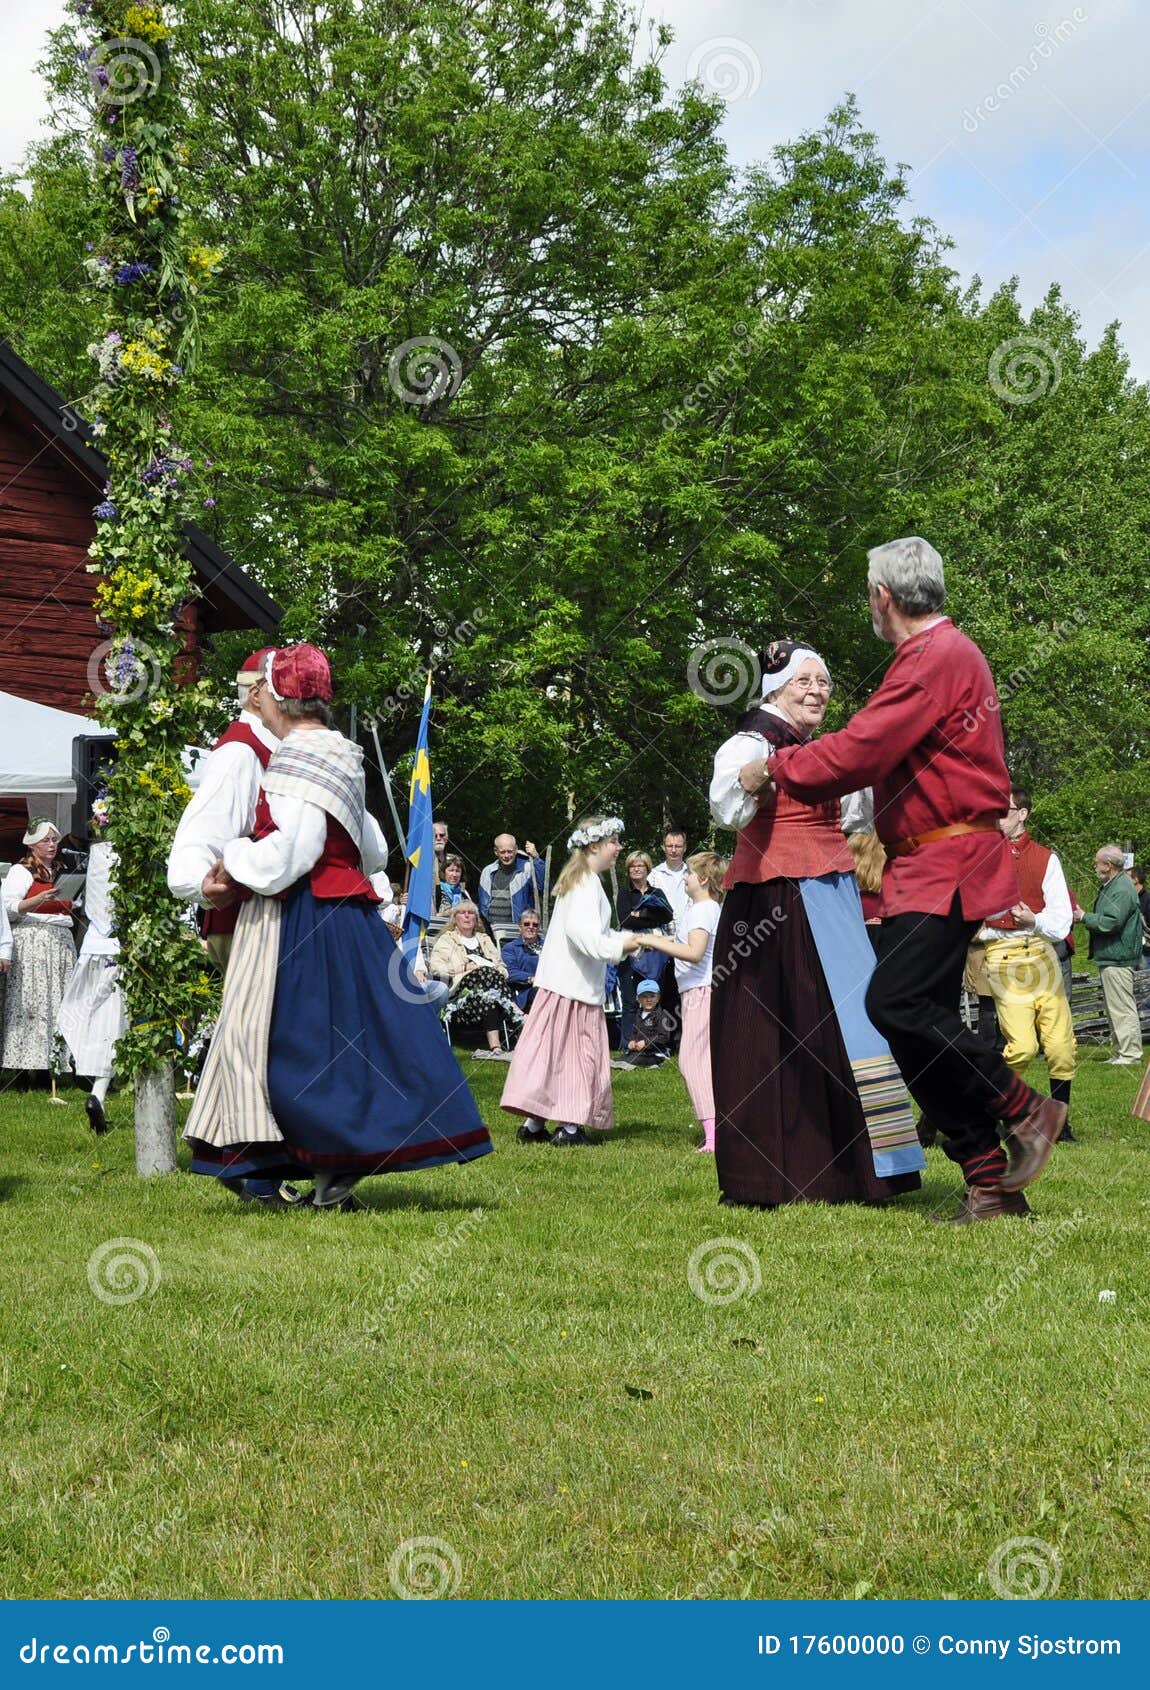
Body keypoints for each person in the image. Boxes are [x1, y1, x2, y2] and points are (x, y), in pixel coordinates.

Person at [764, 538, 1066, 1222]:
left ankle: (1027, 1110)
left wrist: (779, 767)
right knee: (911, 1026)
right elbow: (873, 745)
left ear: (883, 597)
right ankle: (990, 1184)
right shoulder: (934, 656)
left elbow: (865, 746)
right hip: (923, 863)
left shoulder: (935, 658)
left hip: (945, 864)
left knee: (895, 1005)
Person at [183, 644, 492, 1210]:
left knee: (281, 1045)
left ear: (274, 694)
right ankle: (320, 1172)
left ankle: (270, 1161)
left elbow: (291, 856)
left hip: (302, 918)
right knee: (361, 1044)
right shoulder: (344, 754)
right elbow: (372, 847)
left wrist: (234, 856)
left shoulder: (297, 755)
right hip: (350, 915)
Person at [709, 639, 924, 1210]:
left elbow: (856, 815)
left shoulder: (828, 748)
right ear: (774, 689)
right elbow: (727, 810)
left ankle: (860, 1172)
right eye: (804, 682)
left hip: (831, 893)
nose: (817, 691)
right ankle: (766, 1176)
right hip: (768, 898)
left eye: (823, 683)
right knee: (763, 1033)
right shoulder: (748, 743)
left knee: (853, 1025)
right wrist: (765, 771)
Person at [500, 816, 641, 1145]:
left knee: (554, 1057)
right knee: (577, 1059)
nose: (619, 848)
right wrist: (623, 945)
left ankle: (534, 1126)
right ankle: (570, 1128)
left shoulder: (583, 880)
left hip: (563, 987)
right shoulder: (584, 884)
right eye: (613, 842)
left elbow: (591, 934)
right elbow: (585, 937)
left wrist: (621, 939)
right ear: (594, 845)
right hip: (573, 990)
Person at [167, 647, 280, 974]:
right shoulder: (239, 752)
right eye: (284, 688)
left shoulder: (274, 748)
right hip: (247, 923)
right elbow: (201, 833)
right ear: (257, 694)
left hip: (267, 921)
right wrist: (199, 880)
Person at [980, 787, 1078, 1141]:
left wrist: (1033, 922)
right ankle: (996, 1111)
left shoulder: (1047, 858)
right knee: (1022, 1047)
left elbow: (1061, 919)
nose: (997, 818)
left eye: (1004, 811)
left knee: (1061, 1046)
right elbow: (975, 909)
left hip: (1042, 953)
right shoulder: (982, 855)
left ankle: (1060, 1123)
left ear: (1023, 814)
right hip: (1003, 956)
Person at [632, 851, 724, 1150]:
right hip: (699, 991)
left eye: (689, 873)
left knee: (691, 1061)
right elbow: (681, 942)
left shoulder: (702, 910)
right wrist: (648, 939)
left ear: (704, 879)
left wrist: (650, 941)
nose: (684, 877)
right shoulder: (704, 908)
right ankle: (717, 1129)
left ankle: (713, 1135)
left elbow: (694, 952)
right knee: (703, 1061)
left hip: (701, 992)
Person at [56, 801, 126, 1134]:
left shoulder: (97, 857)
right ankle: (98, 1088)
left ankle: (91, 1078)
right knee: (112, 1020)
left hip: (93, 948)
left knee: (86, 1011)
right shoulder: (122, 857)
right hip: (116, 950)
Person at [1, 821, 77, 1079]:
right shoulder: (21, 872)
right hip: (33, 941)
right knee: (32, 1002)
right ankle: (24, 1068)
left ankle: (52, 1065)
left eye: (54, 840)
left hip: (60, 940)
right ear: (31, 844)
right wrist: (39, 899)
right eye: (46, 840)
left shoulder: (61, 870)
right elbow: (9, 907)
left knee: (56, 1002)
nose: (52, 845)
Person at [1071, 846, 1143, 1065]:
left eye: (1097, 863)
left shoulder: (1120, 889)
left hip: (1118, 957)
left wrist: (1084, 917)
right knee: (1115, 1008)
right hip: (1112, 955)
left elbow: (1111, 922)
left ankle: (1130, 1054)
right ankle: (1121, 1052)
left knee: (1121, 1007)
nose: (1094, 866)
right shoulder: (1114, 884)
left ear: (1108, 865)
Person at [429, 901, 520, 1056]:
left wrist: (494, 969)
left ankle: (495, 1046)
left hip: (489, 993)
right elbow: (436, 968)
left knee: (487, 982)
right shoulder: (446, 940)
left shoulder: (485, 939)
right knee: (483, 974)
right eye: (462, 912)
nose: (466, 916)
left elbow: (502, 967)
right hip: (461, 999)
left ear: (476, 919)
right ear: (455, 918)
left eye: (471, 913)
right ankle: (517, 1015)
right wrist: (465, 968)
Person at [616, 849, 655, 1050]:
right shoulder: (624, 893)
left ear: (647, 868)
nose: (636, 868)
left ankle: (650, 1043)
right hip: (629, 954)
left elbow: (665, 916)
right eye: (632, 865)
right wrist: (646, 915)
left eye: (640, 865)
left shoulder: (656, 893)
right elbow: (624, 918)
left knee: (650, 998)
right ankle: (627, 1044)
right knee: (630, 1000)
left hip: (652, 954)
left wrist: (637, 915)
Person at [477, 834, 545, 934]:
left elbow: (541, 885)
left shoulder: (527, 868)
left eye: (510, 851)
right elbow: (482, 904)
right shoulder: (487, 871)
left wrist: (536, 858)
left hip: (519, 932)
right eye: (502, 852)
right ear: (496, 852)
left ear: (516, 849)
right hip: (491, 932)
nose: (506, 855)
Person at [614, 977, 676, 1067]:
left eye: (652, 996)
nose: (649, 999)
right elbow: (635, 1032)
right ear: (638, 999)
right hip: (641, 1051)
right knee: (627, 1056)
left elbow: (663, 1037)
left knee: (636, 1059)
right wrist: (633, 1041)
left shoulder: (662, 1015)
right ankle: (622, 1061)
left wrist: (646, 1043)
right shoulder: (638, 1014)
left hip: (657, 1053)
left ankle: (626, 1063)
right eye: (644, 996)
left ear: (658, 998)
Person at [501, 909, 544, 1011]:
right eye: (526, 924)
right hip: (526, 991)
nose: (531, 927)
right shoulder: (510, 948)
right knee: (543, 994)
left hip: (551, 987)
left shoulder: (549, 946)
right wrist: (533, 978)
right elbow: (510, 972)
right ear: (520, 927)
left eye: (535, 925)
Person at [1128, 866, 1150, 970]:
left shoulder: (1147, 900)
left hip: (1145, 954)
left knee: (1145, 985)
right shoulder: (1128, 899)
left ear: (1136, 879)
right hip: (1130, 953)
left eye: (1127, 877)